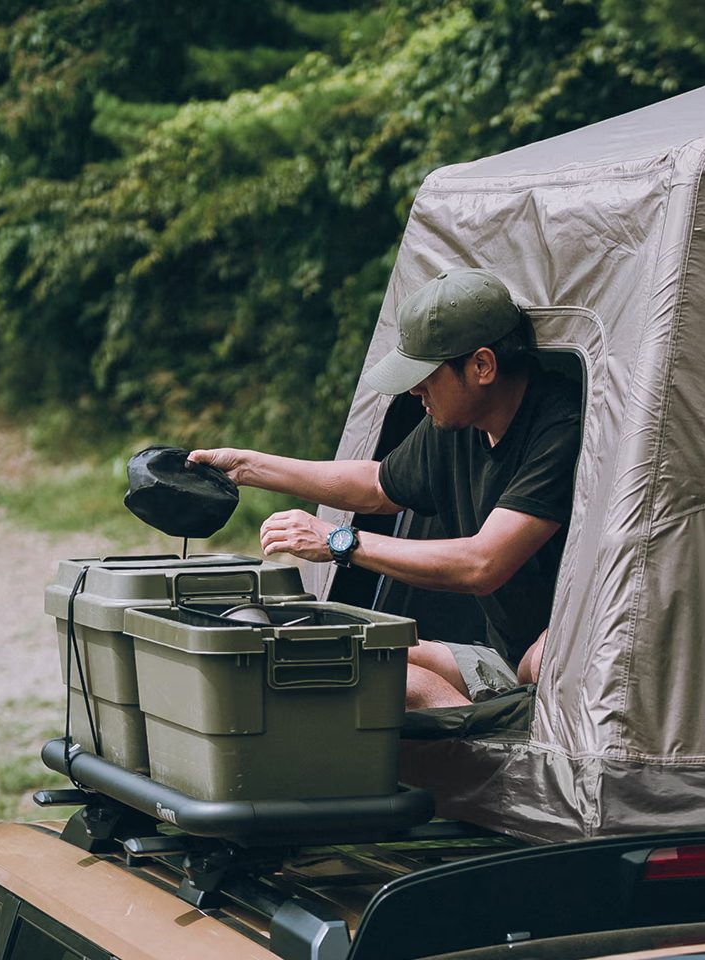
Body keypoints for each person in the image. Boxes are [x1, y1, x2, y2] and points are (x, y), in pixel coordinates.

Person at [190, 268, 581, 708]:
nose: (415, 391)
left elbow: (482, 563)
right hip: (506, 659)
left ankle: (488, 758)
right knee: (365, 656)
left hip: (565, 660)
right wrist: (246, 466)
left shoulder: (561, 426)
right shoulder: (456, 423)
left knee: (529, 663)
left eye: (427, 376)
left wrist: (340, 542)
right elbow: (377, 485)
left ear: (482, 366)